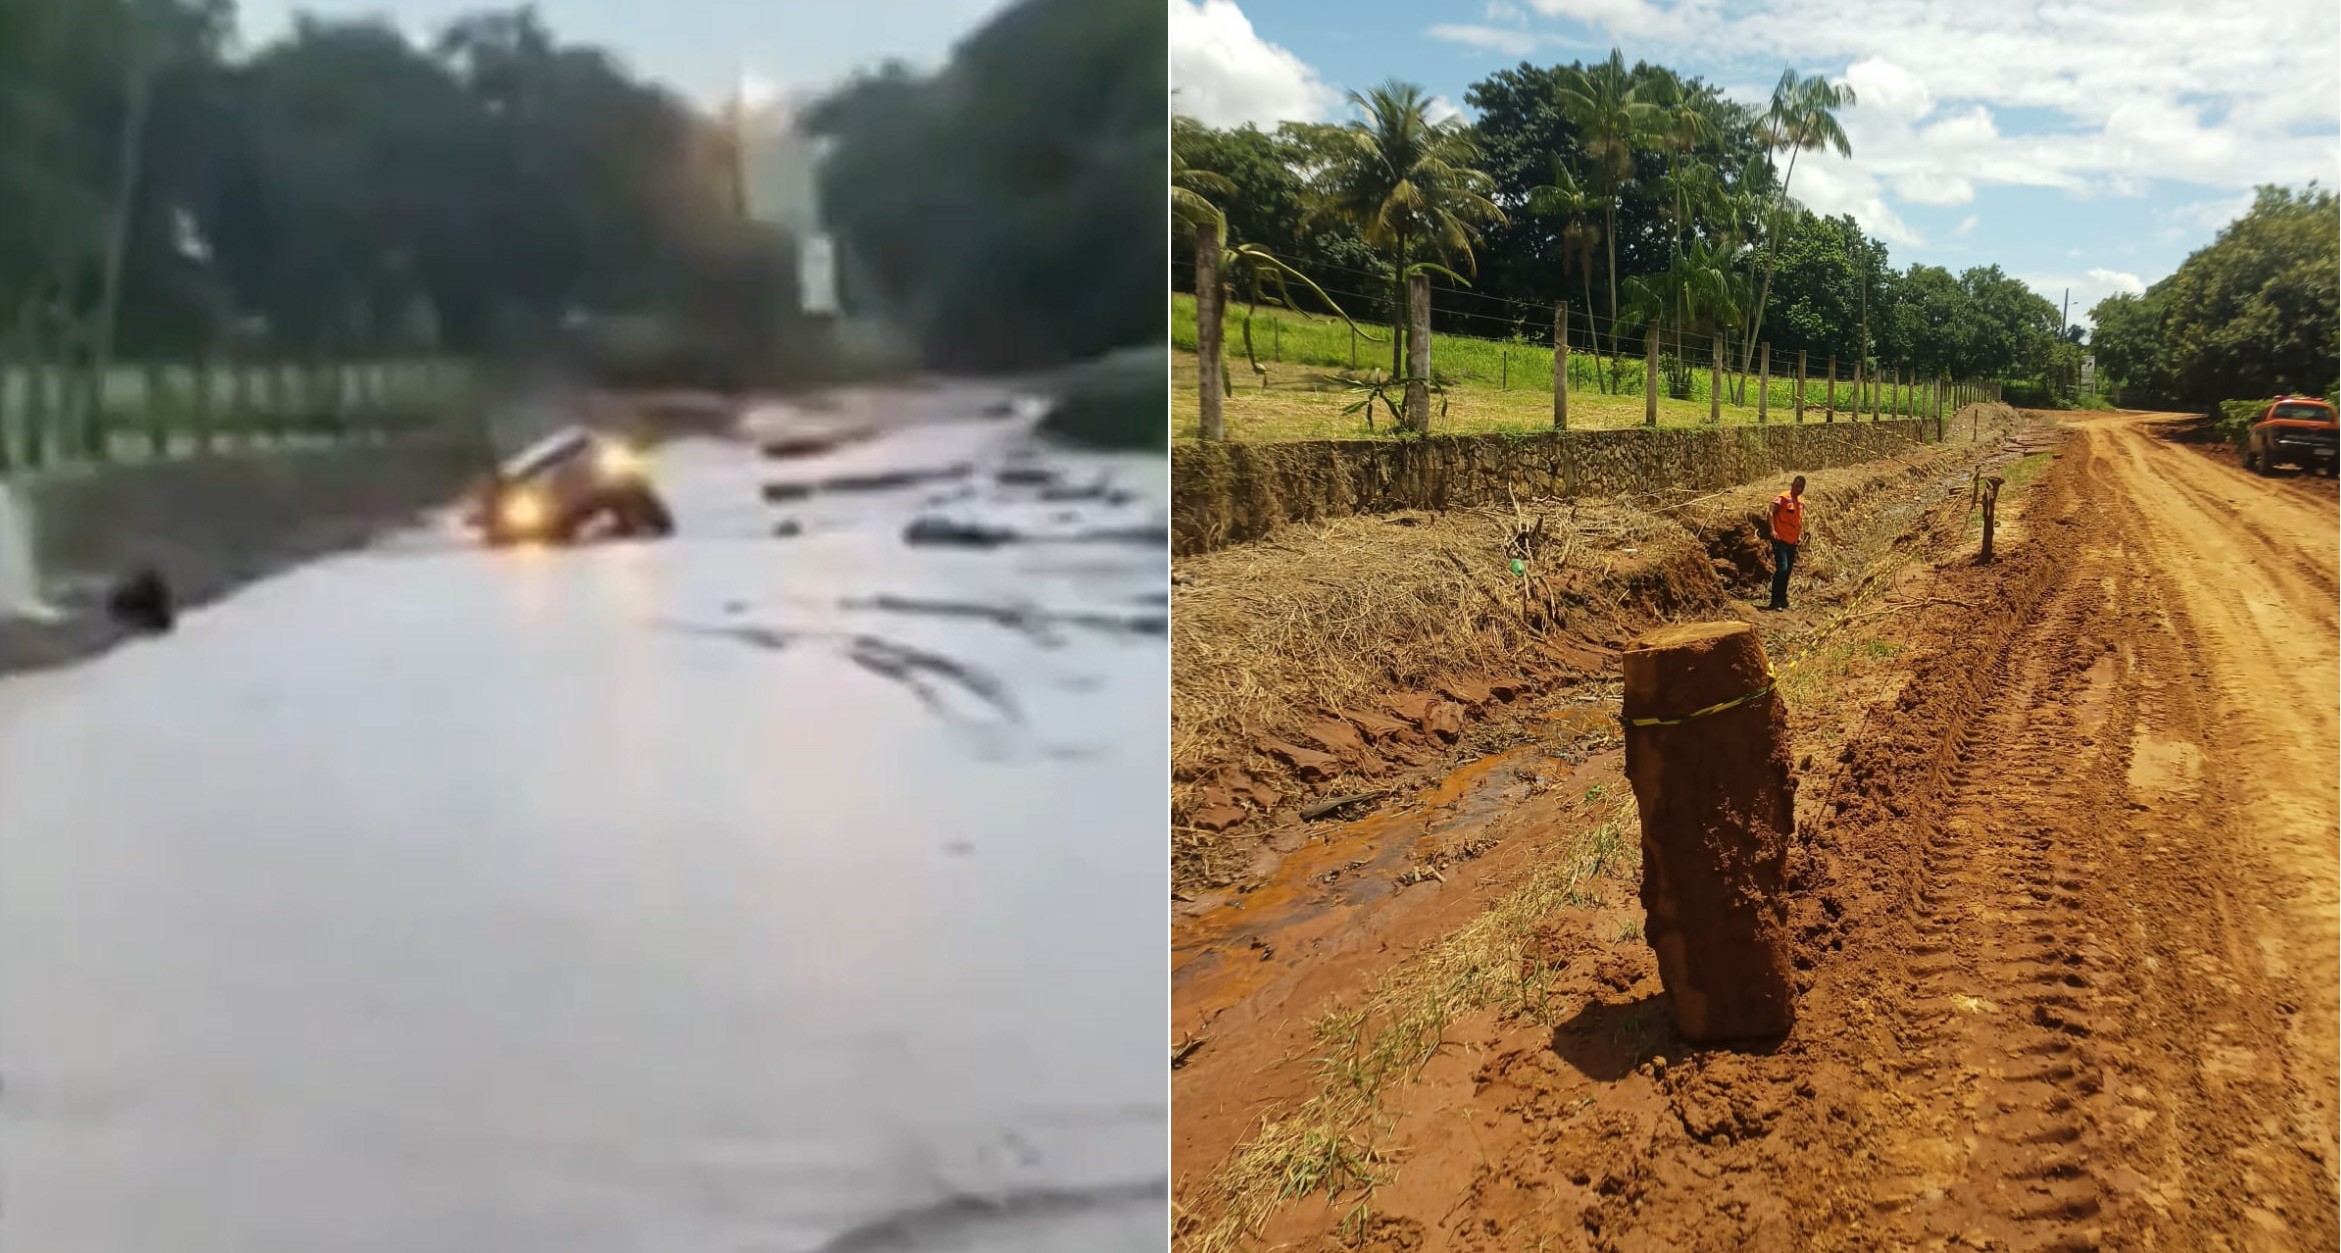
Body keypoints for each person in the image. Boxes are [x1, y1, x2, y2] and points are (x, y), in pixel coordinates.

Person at [1767, 476, 1806, 611]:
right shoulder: (1783, 498)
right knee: (1782, 569)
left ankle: (1783, 599)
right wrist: (1772, 530)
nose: (1799, 489)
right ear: (1792, 485)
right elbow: (1770, 512)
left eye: (1801, 487)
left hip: (1792, 541)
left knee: (1788, 571)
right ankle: (1775, 601)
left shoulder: (1800, 502)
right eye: (1797, 486)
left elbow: (1798, 521)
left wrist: (1799, 536)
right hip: (1780, 539)